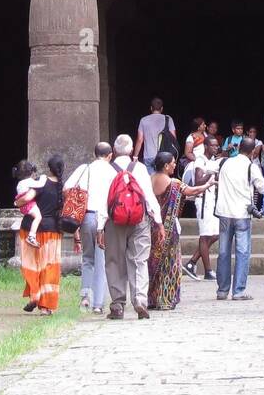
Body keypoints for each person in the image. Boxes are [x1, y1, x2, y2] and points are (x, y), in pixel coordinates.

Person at [91, 134, 162, 320]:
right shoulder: (139, 168)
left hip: (115, 221)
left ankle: (117, 305)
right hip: (139, 220)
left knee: (114, 261)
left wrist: (100, 228)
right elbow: (148, 195)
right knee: (139, 260)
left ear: (114, 151)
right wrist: (158, 221)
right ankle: (139, 299)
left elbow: (102, 200)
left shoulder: (107, 170)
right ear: (131, 150)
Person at [148, 151, 215, 311]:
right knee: (169, 264)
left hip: (152, 227)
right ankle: (166, 298)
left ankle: (152, 298)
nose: (175, 165)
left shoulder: (149, 179)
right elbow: (192, 191)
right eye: (173, 162)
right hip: (169, 230)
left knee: (152, 262)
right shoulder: (173, 183)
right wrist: (208, 184)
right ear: (165, 166)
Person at [214, 136, 264, 301]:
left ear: (238, 148)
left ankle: (222, 291)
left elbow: (209, 168)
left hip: (224, 212)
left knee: (223, 252)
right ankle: (238, 291)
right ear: (252, 152)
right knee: (242, 252)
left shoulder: (224, 162)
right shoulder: (251, 166)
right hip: (242, 214)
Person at [65, 142, 112, 313]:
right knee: (101, 261)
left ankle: (85, 297)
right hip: (104, 219)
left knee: (87, 258)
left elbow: (66, 188)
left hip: (86, 216)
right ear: (110, 155)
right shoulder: (112, 171)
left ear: (94, 154)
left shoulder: (85, 169)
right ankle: (98, 304)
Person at [19, 155, 64, 315]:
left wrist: (18, 202)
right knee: (49, 266)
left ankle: (34, 295)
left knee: (32, 264)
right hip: (52, 231)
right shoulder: (61, 188)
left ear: (48, 167)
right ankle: (46, 306)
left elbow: (28, 198)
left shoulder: (40, 181)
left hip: (31, 228)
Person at [183, 136, 222, 281]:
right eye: (213, 146)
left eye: (217, 146)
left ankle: (192, 263)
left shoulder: (211, 161)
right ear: (206, 146)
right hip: (203, 201)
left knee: (216, 234)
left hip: (211, 201)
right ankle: (208, 271)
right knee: (205, 236)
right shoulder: (200, 161)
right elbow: (199, 180)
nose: (216, 148)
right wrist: (211, 173)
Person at [134, 97, 177, 172]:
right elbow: (173, 138)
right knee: (162, 181)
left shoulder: (143, 120)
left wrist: (135, 156)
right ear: (162, 108)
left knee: (150, 181)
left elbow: (140, 140)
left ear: (151, 108)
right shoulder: (168, 119)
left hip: (149, 156)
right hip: (164, 156)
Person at [13, 160, 45, 247]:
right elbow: (40, 184)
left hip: (23, 206)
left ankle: (31, 236)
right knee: (38, 217)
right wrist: (43, 177)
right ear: (31, 172)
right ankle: (31, 236)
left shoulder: (20, 183)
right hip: (29, 204)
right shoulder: (29, 181)